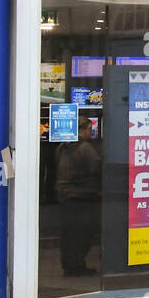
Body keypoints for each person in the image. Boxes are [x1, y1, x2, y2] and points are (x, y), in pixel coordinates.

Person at [55, 117, 102, 277]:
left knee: (69, 234)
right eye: (89, 129)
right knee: (83, 234)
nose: (91, 132)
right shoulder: (85, 148)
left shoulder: (63, 147)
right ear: (82, 130)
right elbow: (96, 168)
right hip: (83, 195)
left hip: (66, 195)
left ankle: (69, 264)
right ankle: (77, 265)